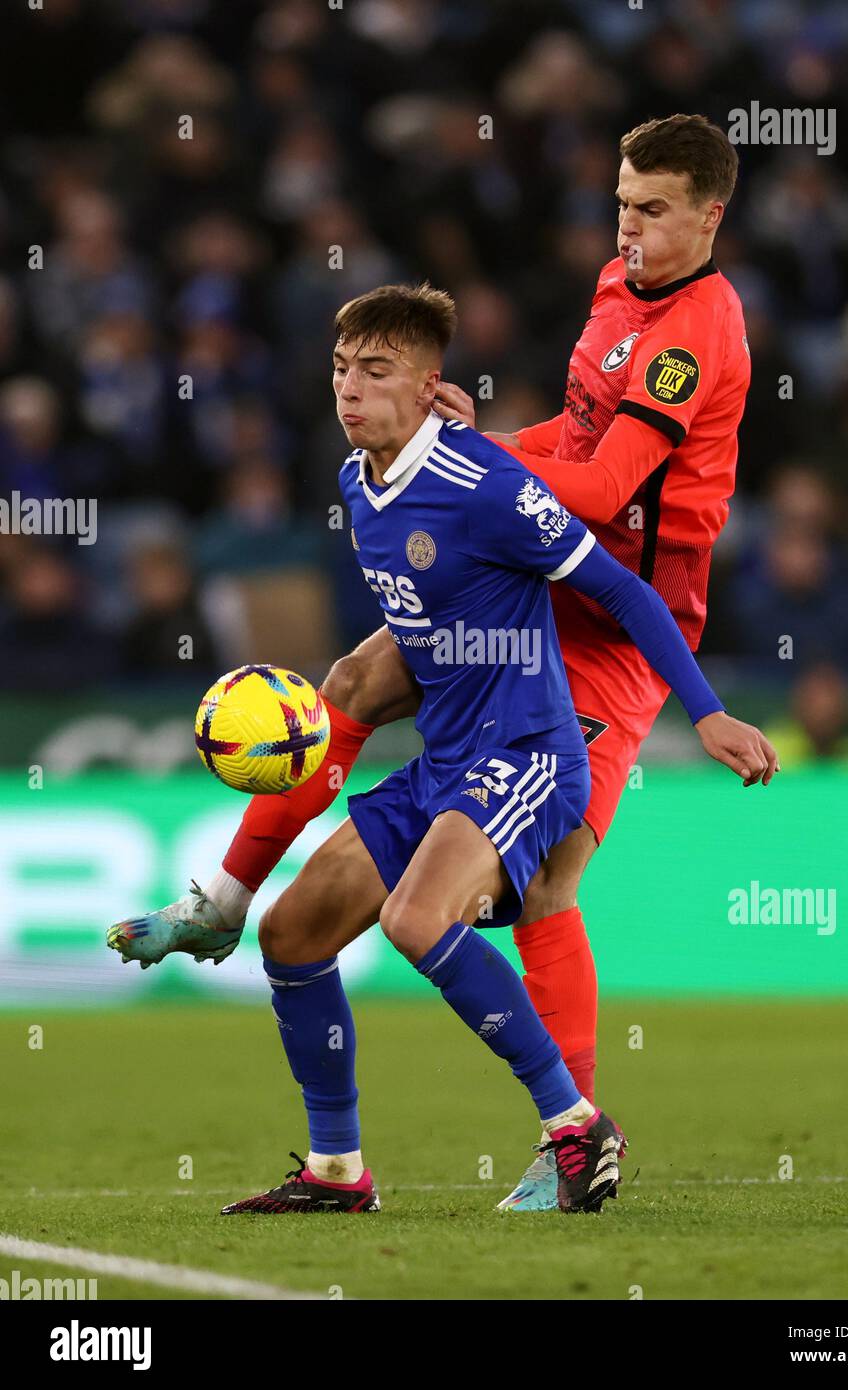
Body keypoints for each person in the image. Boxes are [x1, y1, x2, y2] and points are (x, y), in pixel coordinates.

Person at [110, 114, 777, 1211]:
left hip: (613, 620)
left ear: (711, 215)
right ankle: (230, 901)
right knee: (351, 684)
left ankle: (572, 1133)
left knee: (547, 885)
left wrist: (462, 468)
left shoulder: (695, 331)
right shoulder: (617, 288)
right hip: (522, 567)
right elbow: (571, 433)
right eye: (621, 202)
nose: (630, 226)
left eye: (654, 210)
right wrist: (475, 446)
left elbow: (605, 492)